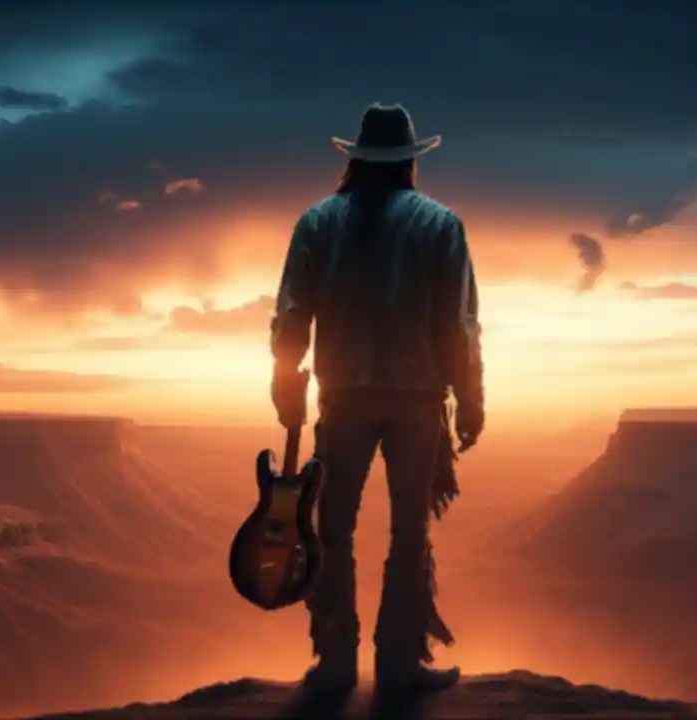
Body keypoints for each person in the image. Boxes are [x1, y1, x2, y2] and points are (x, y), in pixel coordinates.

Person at [269, 103, 484, 697]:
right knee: (409, 535)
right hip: (418, 399)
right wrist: (471, 398)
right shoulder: (441, 226)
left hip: (343, 397)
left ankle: (336, 663)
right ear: (410, 160)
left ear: (356, 159)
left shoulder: (318, 223)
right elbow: (459, 325)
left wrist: (285, 385)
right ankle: (398, 668)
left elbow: (292, 313)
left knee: (332, 530)